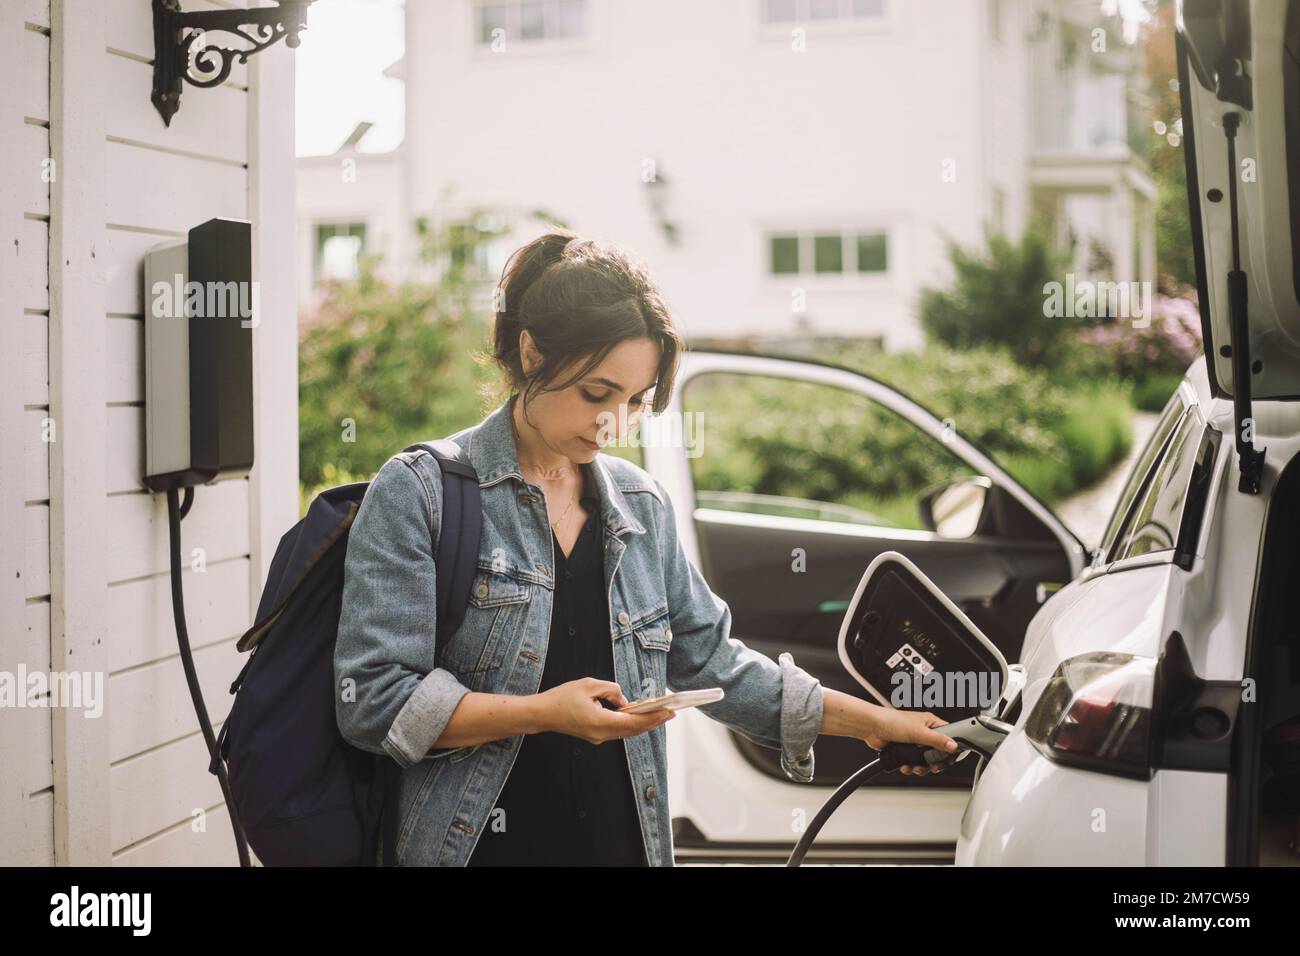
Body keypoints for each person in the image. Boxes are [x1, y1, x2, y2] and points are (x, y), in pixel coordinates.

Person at [334, 229, 958, 867]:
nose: (616, 424)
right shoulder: (420, 493)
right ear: (529, 354)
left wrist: (876, 724)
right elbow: (374, 700)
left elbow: (717, 666)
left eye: (636, 402)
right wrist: (542, 713)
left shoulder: (640, 506)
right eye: (597, 394)